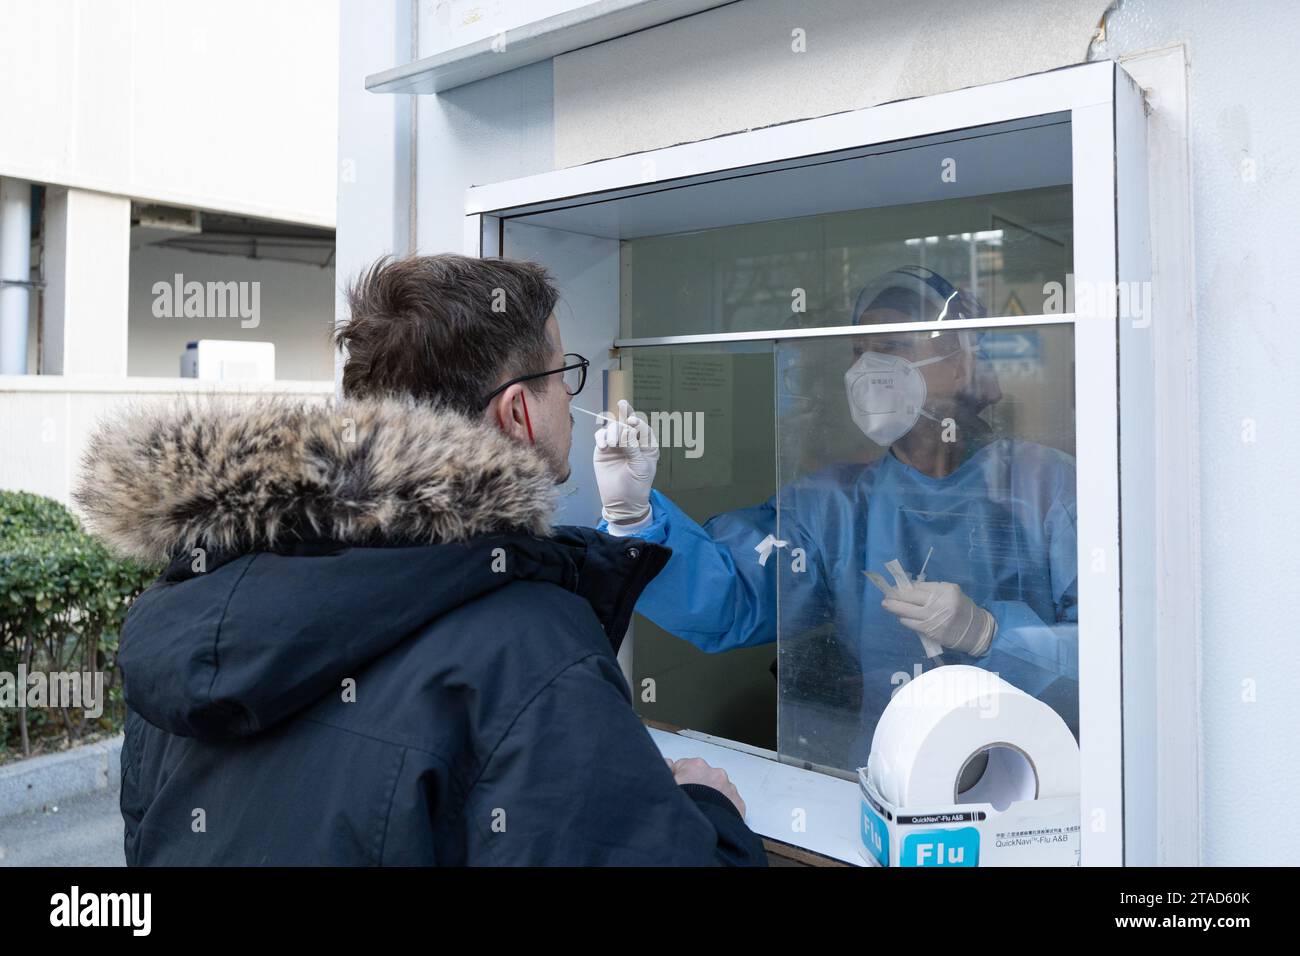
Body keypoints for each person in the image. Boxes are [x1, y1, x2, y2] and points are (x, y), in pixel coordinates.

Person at [75, 253, 766, 866]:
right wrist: (711, 814)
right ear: (519, 414)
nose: (572, 395)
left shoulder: (198, 596)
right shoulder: (533, 648)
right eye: (565, 374)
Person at [593, 266, 1079, 767]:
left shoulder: (1044, 487)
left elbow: (1115, 653)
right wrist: (634, 520)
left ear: (961, 364)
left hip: (1029, 779)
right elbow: (729, 597)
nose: (870, 368)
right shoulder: (835, 506)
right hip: (885, 776)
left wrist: (989, 634)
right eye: (859, 350)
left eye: (893, 346)